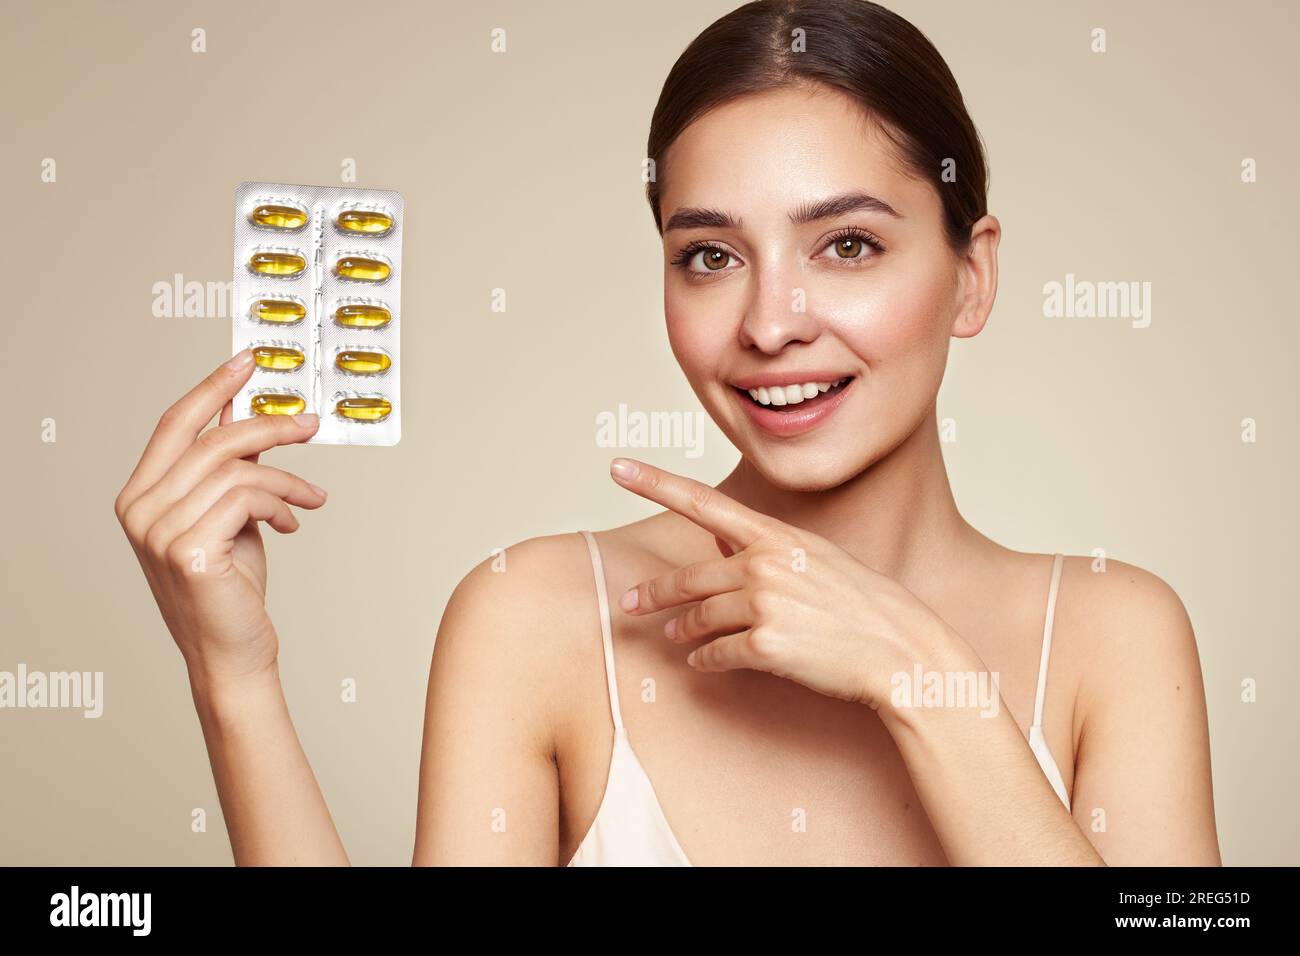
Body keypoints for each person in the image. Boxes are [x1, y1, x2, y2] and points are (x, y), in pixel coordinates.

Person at [115, 0, 1220, 866]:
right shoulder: (537, 618)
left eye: (845, 245)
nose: (771, 323)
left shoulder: (1114, 636)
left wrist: (915, 669)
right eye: (710, 255)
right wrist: (235, 677)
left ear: (970, 274)